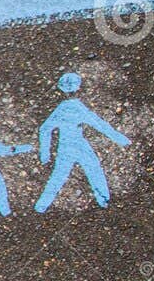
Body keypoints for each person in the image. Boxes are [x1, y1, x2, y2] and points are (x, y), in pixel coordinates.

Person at [35, 72, 129, 212]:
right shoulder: (77, 107)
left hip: (65, 146)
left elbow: (44, 129)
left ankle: (41, 206)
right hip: (78, 144)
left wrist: (45, 154)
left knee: (58, 176)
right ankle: (104, 200)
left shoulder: (61, 109)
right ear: (78, 88)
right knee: (94, 169)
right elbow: (99, 124)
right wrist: (121, 139)